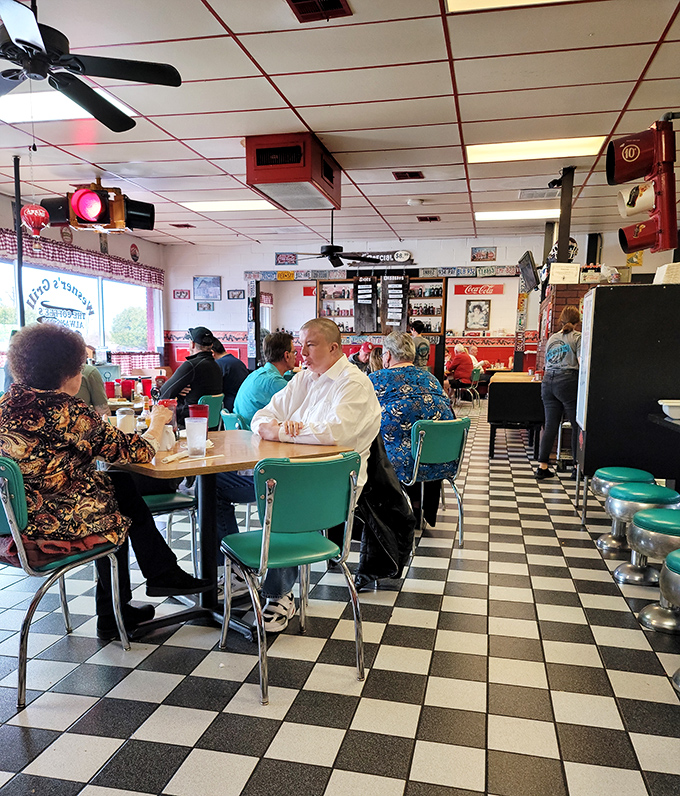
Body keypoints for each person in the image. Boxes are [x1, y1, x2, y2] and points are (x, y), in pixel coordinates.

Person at [0, 323, 211, 640]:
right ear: (70, 373)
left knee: (117, 485)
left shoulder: (5, 405)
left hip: (12, 527)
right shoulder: (67, 412)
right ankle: (131, 601)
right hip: (44, 533)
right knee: (115, 510)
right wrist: (157, 422)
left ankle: (136, 596)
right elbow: (138, 451)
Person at [250, 318, 381, 632]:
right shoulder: (303, 380)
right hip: (292, 472)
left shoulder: (353, 383)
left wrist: (282, 433)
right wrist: (276, 427)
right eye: (300, 344)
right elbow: (262, 416)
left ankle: (279, 594)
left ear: (334, 348)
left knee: (281, 494)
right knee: (218, 487)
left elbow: (335, 433)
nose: (301, 352)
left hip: (331, 485)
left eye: (310, 345)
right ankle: (240, 576)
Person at [215, 332, 296, 564]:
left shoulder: (260, 374)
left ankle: (231, 564)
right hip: (268, 464)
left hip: (252, 453)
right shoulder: (275, 382)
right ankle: (235, 562)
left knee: (211, 486)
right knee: (213, 486)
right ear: (287, 354)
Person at [370, 332, 454, 524]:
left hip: (400, 463)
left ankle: (382, 513)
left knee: (379, 445)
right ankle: (416, 506)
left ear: (389, 355)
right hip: (440, 460)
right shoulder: (431, 379)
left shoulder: (376, 379)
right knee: (412, 440)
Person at [536, 306, 581, 480]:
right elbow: (582, 363)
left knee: (550, 426)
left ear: (561, 320)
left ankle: (542, 467)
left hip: (548, 382)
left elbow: (547, 363)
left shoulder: (552, 338)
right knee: (576, 426)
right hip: (568, 381)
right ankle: (577, 468)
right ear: (578, 321)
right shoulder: (577, 338)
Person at [159, 326, 223, 426]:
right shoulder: (216, 366)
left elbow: (164, 393)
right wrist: (179, 391)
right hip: (211, 424)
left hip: (187, 424)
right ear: (211, 345)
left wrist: (177, 391)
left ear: (192, 344)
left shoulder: (191, 365)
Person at [232, 332, 296, 430]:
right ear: (286, 355)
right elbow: (299, 409)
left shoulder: (256, 374)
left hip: (239, 432)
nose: (296, 356)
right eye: (294, 352)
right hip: (253, 436)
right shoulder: (274, 382)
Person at [212, 339, 249, 411]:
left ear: (212, 353)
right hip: (243, 405)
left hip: (229, 407)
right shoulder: (238, 362)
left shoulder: (219, 365)